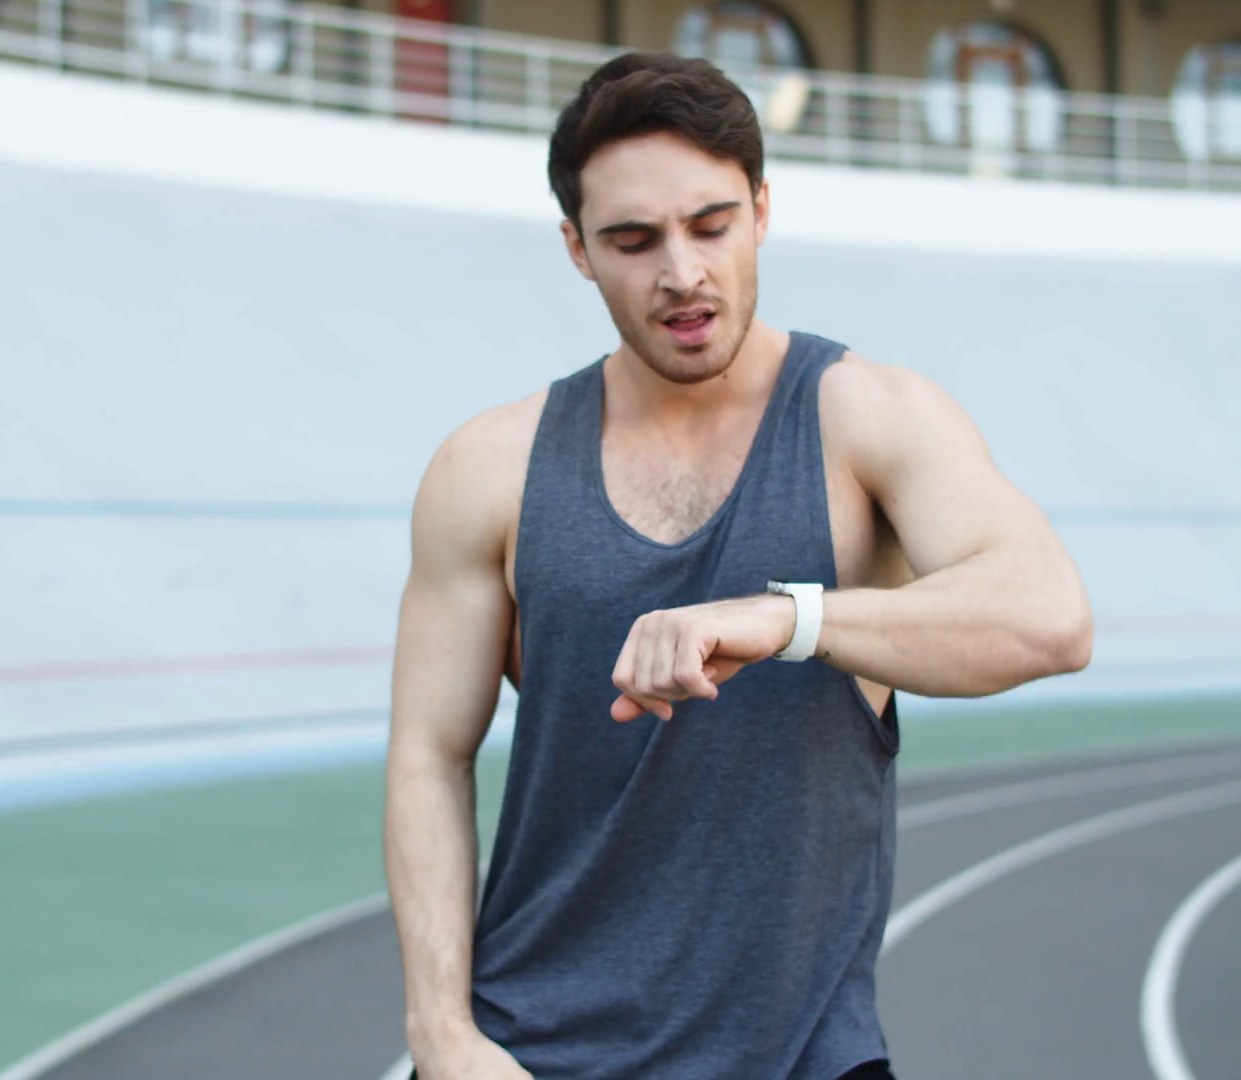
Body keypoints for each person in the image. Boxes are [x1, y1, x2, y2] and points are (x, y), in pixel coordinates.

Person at [383, 52, 1093, 1080]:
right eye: (633, 240)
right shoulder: (489, 466)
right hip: (534, 1052)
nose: (682, 273)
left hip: (802, 1056)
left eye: (711, 225)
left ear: (762, 209)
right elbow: (426, 758)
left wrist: (787, 619)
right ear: (578, 249)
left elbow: (1050, 618)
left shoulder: (868, 418)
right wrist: (442, 1035)